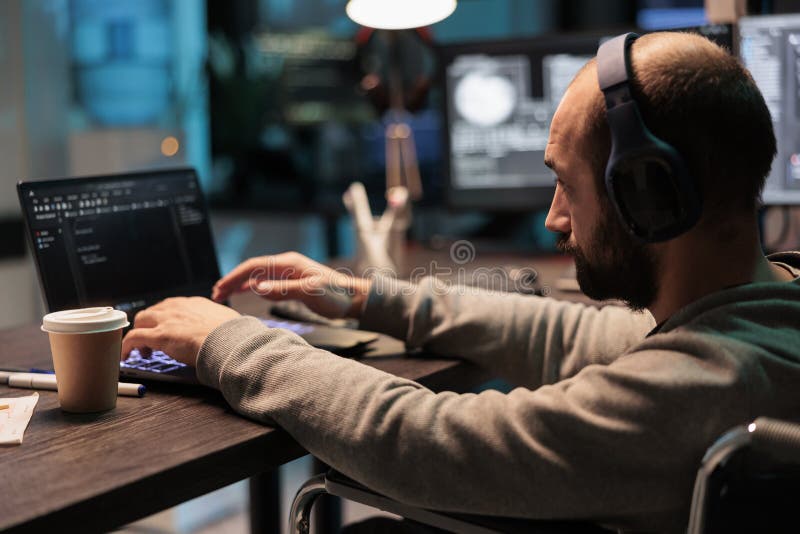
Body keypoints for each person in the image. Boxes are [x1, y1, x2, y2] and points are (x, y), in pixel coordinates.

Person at [122, 32, 800, 533]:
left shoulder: (697, 391)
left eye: (567, 184)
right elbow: (571, 331)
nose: (553, 217)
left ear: (649, 196)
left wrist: (233, 343)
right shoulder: (761, 317)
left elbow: (426, 438)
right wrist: (366, 297)